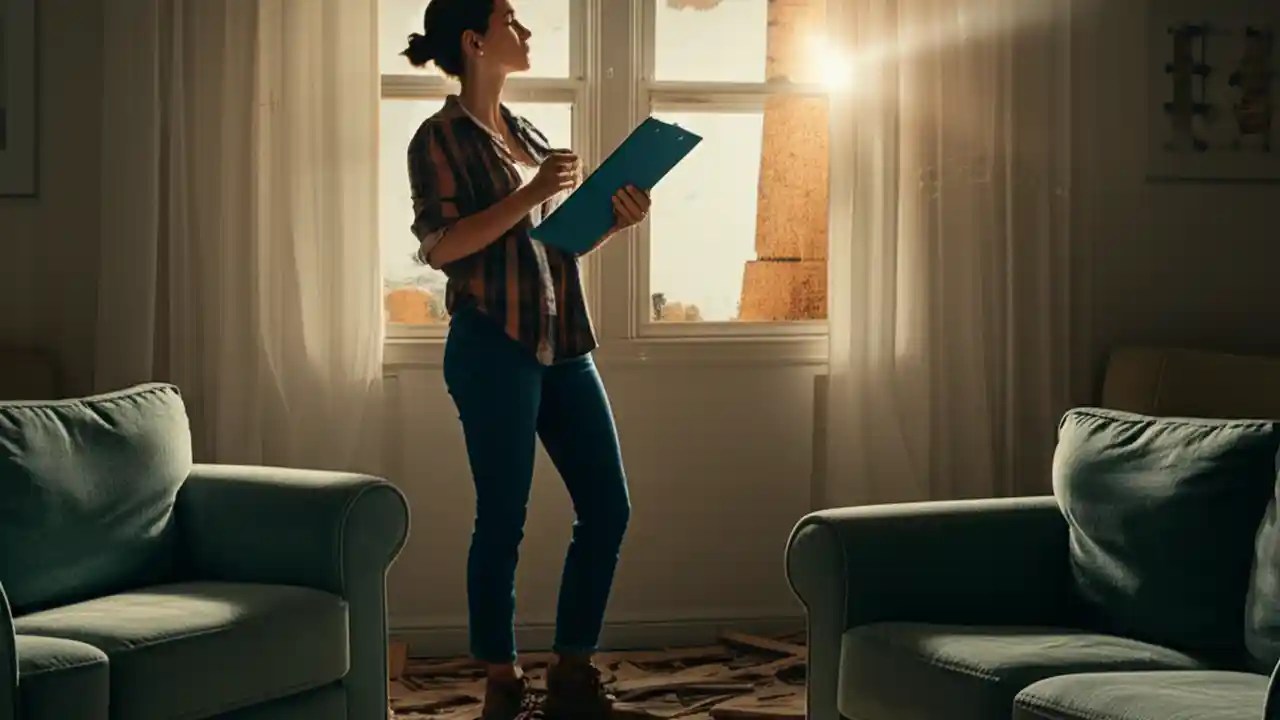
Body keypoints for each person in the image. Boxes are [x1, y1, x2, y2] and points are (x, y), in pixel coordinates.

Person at [402, 1, 650, 718]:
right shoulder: (438, 137)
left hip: (564, 344)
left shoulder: (528, 134)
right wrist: (533, 191)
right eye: (512, 19)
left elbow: (550, 248)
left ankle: (573, 676)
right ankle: (503, 684)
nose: (527, 30)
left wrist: (609, 220)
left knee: (608, 507)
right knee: (503, 518)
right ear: (475, 42)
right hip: (491, 347)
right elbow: (443, 247)